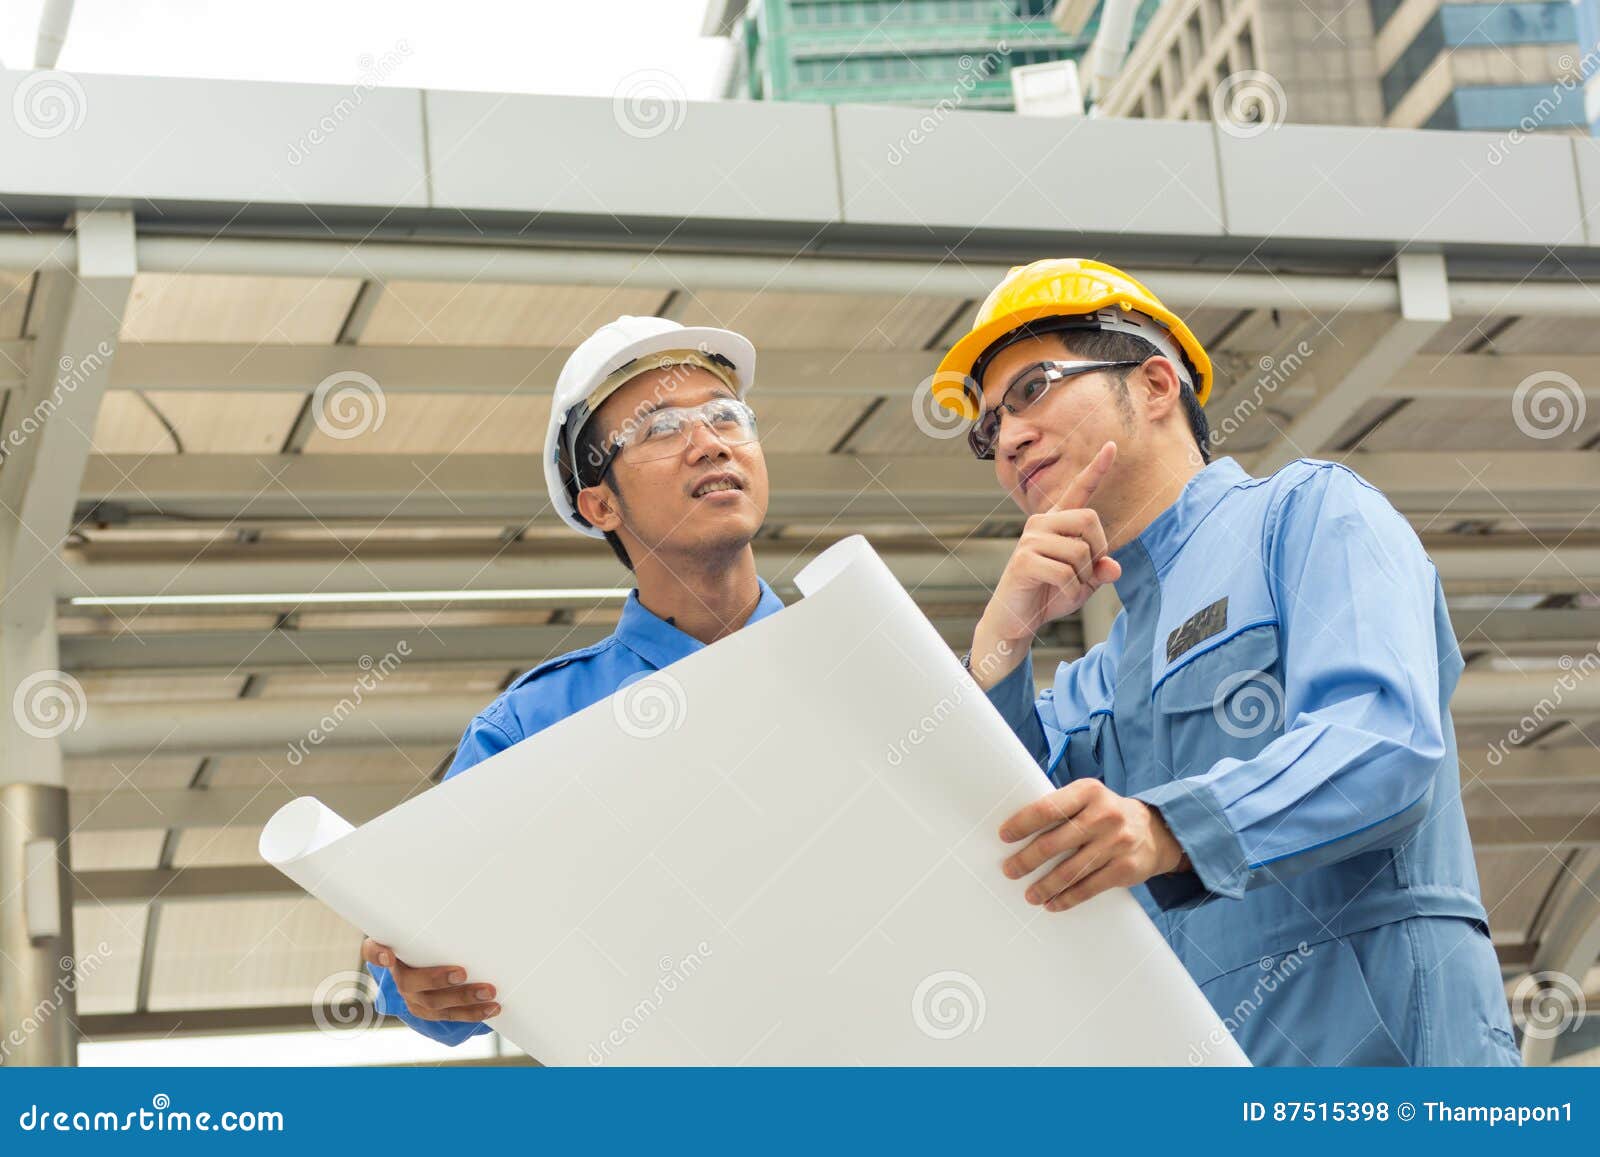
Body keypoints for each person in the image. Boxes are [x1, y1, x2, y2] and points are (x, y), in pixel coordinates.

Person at [941, 258, 1520, 1066]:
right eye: (988, 426)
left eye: (1033, 387)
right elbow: (987, 827)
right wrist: (1000, 645)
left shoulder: (1311, 514)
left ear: (1153, 383)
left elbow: (1384, 739)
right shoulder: (1096, 678)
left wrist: (1171, 827)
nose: (1007, 438)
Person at [361, 315, 777, 1046]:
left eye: (726, 414)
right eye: (660, 429)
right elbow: (420, 951)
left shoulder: (867, 657)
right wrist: (411, 979)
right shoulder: (534, 727)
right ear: (601, 504)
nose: (710, 440)